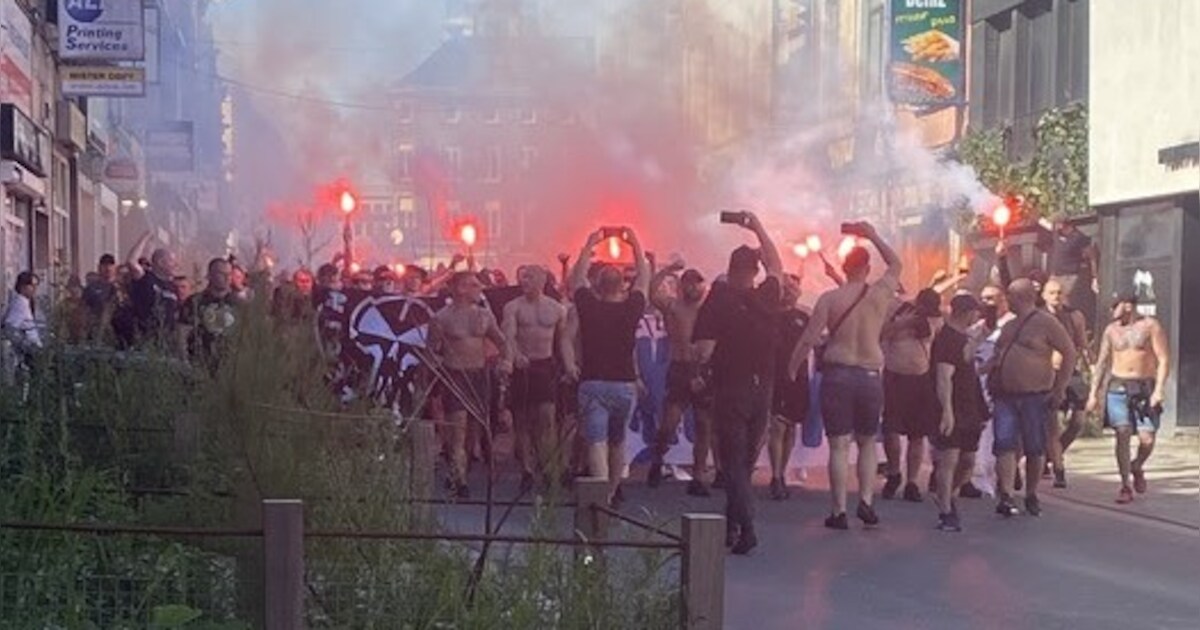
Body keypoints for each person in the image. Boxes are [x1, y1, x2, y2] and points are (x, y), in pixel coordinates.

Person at [789, 221, 902, 531]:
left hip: (838, 375)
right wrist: (873, 234)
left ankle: (838, 510)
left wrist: (793, 366)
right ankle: (866, 501)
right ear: (867, 268)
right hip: (869, 375)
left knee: (838, 445)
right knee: (867, 443)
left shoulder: (830, 299)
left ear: (844, 266)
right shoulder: (880, 293)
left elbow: (809, 338)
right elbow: (896, 263)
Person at [693, 210, 783, 554]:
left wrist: (701, 367)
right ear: (754, 272)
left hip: (732, 387)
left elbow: (703, 350)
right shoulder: (767, 295)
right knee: (745, 461)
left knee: (732, 462)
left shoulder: (718, 299)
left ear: (730, 270)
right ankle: (733, 524)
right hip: (765, 389)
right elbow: (776, 264)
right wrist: (758, 225)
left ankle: (746, 526)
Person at [567, 227, 649, 507]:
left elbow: (577, 279)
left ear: (597, 286)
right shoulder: (633, 308)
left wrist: (590, 243)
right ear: (622, 286)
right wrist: (634, 243)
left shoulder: (588, 306)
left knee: (597, 442)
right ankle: (612, 492)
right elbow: (644, 279)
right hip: (624, 384)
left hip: (594, 383)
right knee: (618, 441)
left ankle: (599, 496)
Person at [985, 279, 1076, 518]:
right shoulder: (1008, 325)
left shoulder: (1047, 323)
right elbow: (996, 355)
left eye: (1010, 296)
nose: (1007, 301)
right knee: (1004, 444)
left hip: (1035, 395)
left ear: (1022, 297)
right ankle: (1005, 493)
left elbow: (1069, 352)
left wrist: (1060, 388)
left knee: (1034, 446)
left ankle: (1031, 493)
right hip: (1005, 396)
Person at [428, 271, 506, 498]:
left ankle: (463, 468)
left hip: (480, 375)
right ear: (460, 289)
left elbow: (501, 341)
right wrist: (434, 368)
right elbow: (432, 350)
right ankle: (460, 480)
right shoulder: (441, 318)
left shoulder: (485, 316)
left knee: (475, 430)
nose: (479, 288)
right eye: (473, 285)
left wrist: (507, 360)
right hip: (456, 376)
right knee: (458, 429)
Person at [1087, 293, 1170, 504]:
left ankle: (1137, 465)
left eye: (1114, 306)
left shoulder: (1150, 326)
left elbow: (1163, 357)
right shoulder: (1111, 330)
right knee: (1122, 432)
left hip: (1144, 386)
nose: (1111, 311)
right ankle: (1125, 484)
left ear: (1127, 306)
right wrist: (1093, 394)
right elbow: (1102, 361)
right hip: (1118, 385)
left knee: (1147, 438)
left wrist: (1159, 389)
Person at [647, 263, 715, 497]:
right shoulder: (673, 306)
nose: (693, 288)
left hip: (704, 369)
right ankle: (657, 459)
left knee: (704, 424)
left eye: (697, 283)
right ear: (682, 285)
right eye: (689, 283)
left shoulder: (708, 307)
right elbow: (652, 292)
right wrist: (667, 269)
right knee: (669, 423)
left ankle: (698, 476)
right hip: (680, 368)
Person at [501, 265, 570, 491]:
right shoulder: (513, 307)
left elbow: (563, 341)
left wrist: (569, 365)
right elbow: (508, 336)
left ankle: (548, 466)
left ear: (542, 281)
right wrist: (513, 358)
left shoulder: (557, 309)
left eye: (530, 277)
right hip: (523, 367)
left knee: (547, 418)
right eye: (523, 277)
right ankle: (527, 470)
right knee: (521, 420)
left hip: (545, 367)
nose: (525, 281)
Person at [879, 288, 943, 502]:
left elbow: (927, 333)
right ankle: (894, 472)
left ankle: (912, 482)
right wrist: (902, 322)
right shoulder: (898, 311)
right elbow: (881, 333)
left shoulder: (933, 320)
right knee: (891, 430)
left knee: (917, 434)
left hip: (919, 378)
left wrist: (917, 321)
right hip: (894, 376)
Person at [931, 295, 988, 532]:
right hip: (951, 407)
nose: (977, 317)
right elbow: (944, 377)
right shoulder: (945, 339)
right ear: (967, 312)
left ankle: (949, 493)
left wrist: (977, 342)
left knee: (967, 461)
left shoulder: (962, 338)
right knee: (950, 458)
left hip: (969, 407)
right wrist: (946, 411)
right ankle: (945, 510)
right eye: (975, 312)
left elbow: (965, 363)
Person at [1042, 278, 1091, 488]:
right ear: (1044, 295)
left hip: (1072, 373)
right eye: (1052, 292)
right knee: (1053, 423)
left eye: (1059, 292)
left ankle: (1052, 456)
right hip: (1048, 373)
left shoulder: (1074, 316)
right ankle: (1059, 470)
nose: (1056, 296)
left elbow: (1082, 344)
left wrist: (1092, 367)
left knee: (1078, 422)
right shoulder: (1038, 317)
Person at [768, 272, 810, 501]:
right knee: (777, 426)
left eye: (794, 286)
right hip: (776, 377)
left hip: (799, 379)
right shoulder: (770, 315)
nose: (790, 290)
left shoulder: (805, 316)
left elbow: (819, 338)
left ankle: (782, 472)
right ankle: (775, 476)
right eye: (786, 287)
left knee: (791, 427)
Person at [180, 258, 240, 369]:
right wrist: (185, 361)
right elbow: (182, 333)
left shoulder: (238, 304)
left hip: (230, 367)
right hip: (199, 363)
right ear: (210, 275)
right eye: (222, 274)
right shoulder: (195, 301)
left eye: (229, 274)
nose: (227, 278)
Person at [127, 232, 181, 350]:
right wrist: (145, 237)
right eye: (172, 261)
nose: (176, 265)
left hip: (166, 341)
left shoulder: (173, 287)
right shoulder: (146, 278)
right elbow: (131, 262)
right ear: (161, 263)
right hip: (144, 339)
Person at [3, 271, 42, 355]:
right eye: (32, 285)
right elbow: (10, 328)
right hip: (29, 352)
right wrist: (25, 345)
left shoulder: (24, 302)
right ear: (22, 286)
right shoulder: (20, 303)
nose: (35, 289)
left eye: (36, 285)